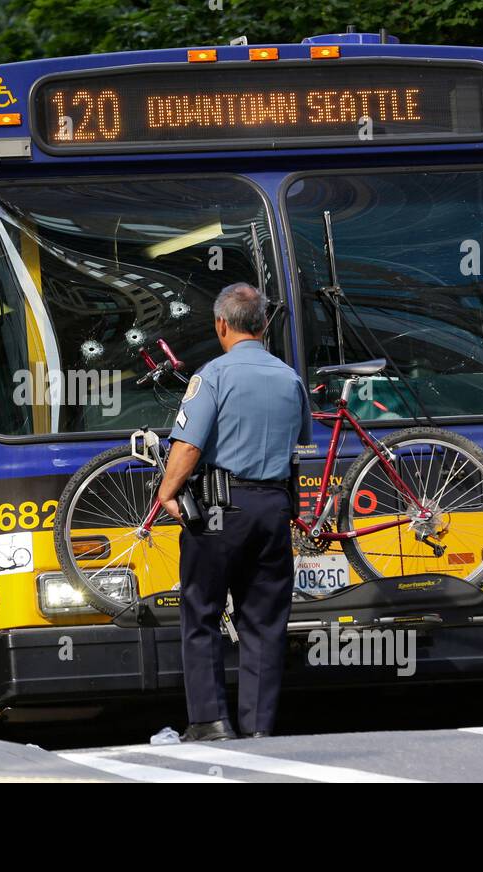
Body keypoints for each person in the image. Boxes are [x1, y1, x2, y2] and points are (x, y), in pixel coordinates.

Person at [156, 283, 312, 741]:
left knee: (201, 610)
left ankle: (209, 721)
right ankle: (259, 729)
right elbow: (300, 448)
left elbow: (188, 445)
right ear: (263, 326)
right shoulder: (290, 378)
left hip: (221, 508)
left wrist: (168, 491)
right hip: (273, 508)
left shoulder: (213, 376)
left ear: (221, 324)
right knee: (264, 621)